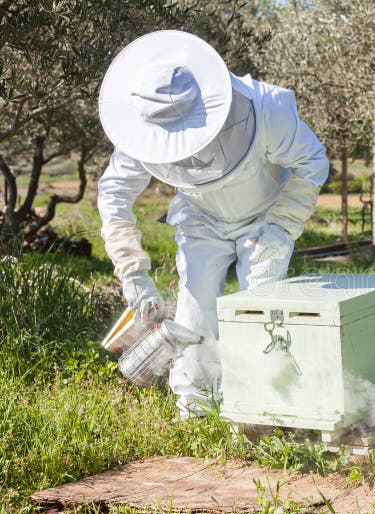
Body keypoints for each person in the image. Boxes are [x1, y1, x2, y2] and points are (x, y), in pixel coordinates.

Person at [96, 30, 329, 417]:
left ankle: (265, 405)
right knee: (194, 311)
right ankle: (196, 408)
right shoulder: (141, 129)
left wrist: (283, 224)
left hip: (265, 218)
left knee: (263, 309)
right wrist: (132, 271)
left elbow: (312, 162)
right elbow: (115, 194)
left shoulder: (266, 109)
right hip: (201, 219)